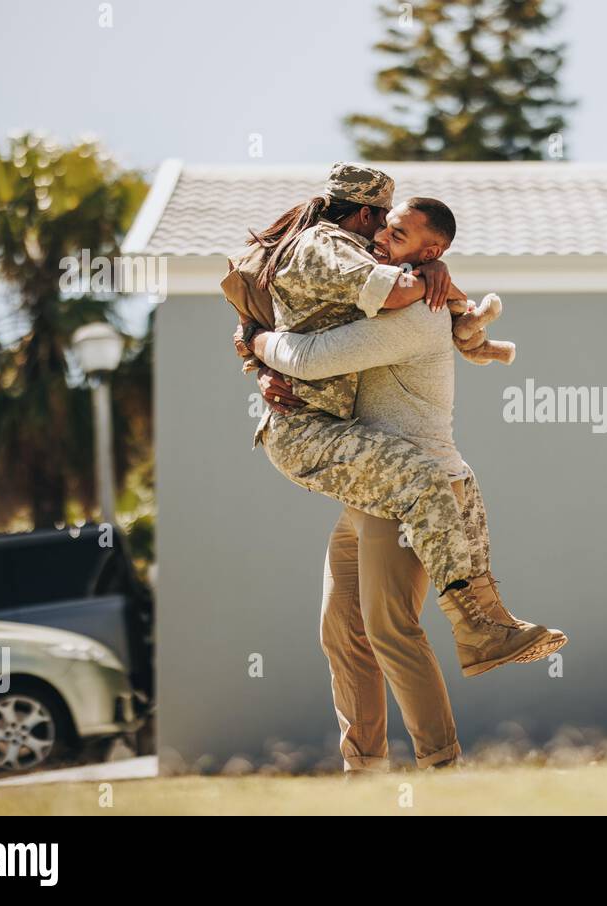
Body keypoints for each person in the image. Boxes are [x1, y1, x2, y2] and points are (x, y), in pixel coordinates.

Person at [233, 163, 564, 681]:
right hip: (309, 428)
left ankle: (489, 622)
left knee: (345, 629)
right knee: (419, 499)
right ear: (366, 214)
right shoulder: (327, 243)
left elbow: (284, 311)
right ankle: (473, 632)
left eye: (397, 232)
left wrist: (435, 275)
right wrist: (256, 351)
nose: (384, 236)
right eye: (385, 221)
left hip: (339, 432)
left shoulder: (352, 249)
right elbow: (356, 318)